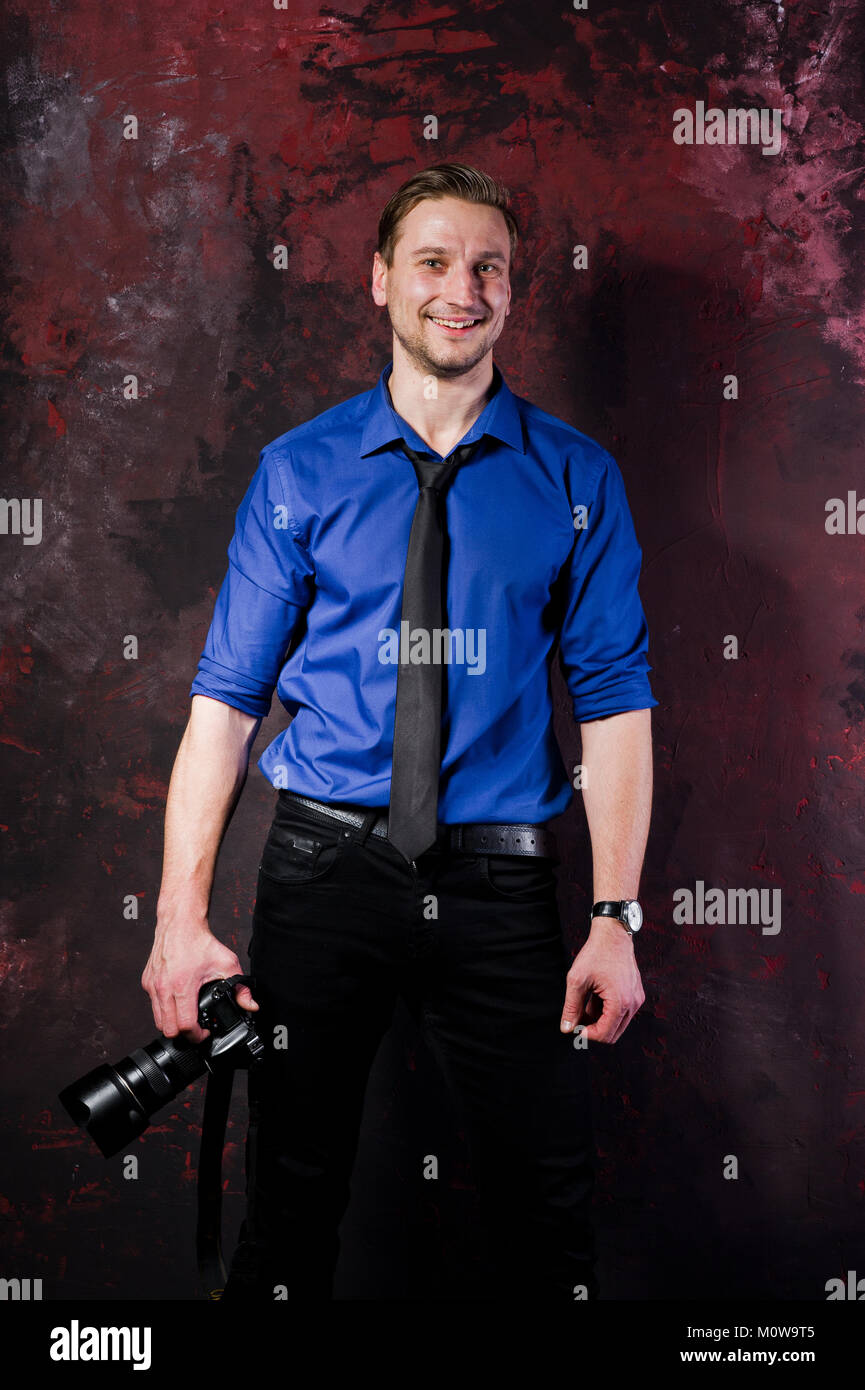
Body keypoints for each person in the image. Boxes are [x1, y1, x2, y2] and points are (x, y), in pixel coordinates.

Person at [141, 161, 657, 1301]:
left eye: (488, 267)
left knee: (548, 1219)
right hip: (323, 871)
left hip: (503, 885)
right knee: (289, 1204)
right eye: (432, 260)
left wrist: (614, 916)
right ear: (380, 280)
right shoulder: (300, 472)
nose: (459, 288)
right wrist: (180, 920)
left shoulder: (575, 478)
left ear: (513, 292)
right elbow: (225, 706)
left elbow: (614, 702)